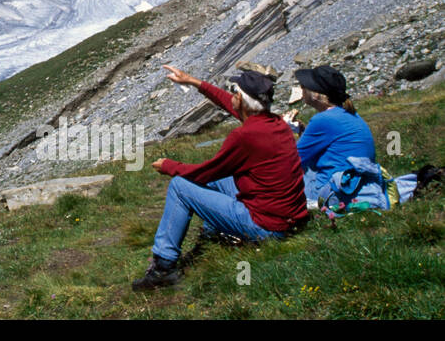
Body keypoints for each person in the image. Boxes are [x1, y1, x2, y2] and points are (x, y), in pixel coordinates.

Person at [132, 65, 308, 291]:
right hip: (289, 217)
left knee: (180, 186)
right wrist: (194, 82)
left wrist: (169, 166)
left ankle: (163, 268)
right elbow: (232, 104)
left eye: (236, 93)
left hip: (268, 226)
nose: (232, 96)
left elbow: (206, 172)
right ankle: (214, 230)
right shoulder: (276, 124)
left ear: (242, 101)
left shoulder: (244, 136)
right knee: (214, 184)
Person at [284, 66, 377, 206]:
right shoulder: (349, 114)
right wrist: (302, 130)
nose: (301, 89)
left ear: (316, 94)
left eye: (304, 86)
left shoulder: (322, 120)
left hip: (334, 194)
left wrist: (283, 131)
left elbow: (293, 160)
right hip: (356, 186)